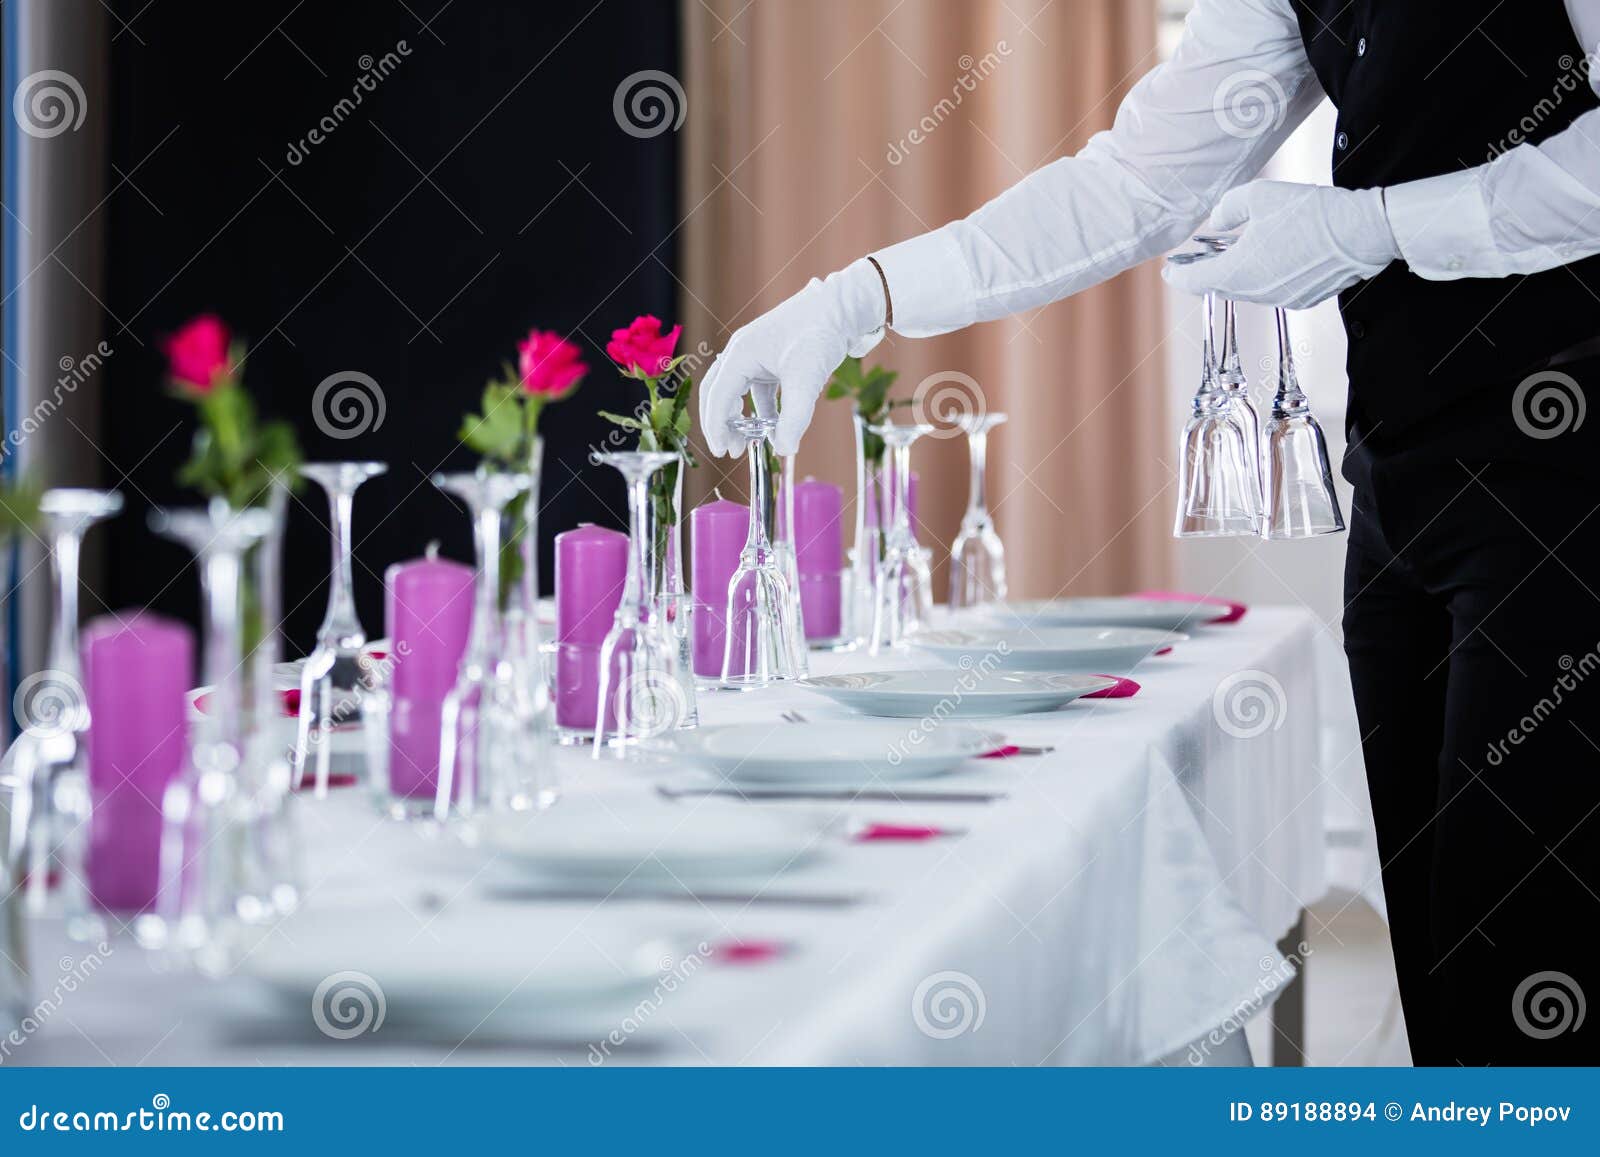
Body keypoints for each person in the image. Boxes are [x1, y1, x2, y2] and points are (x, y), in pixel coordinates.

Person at [699, 0, 1600, 1066]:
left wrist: (1374, 227)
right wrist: (856, 298)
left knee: (1529, 992)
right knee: (1448, 1004)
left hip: (1566, 484)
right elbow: (1133, 186)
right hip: (1400, 488)